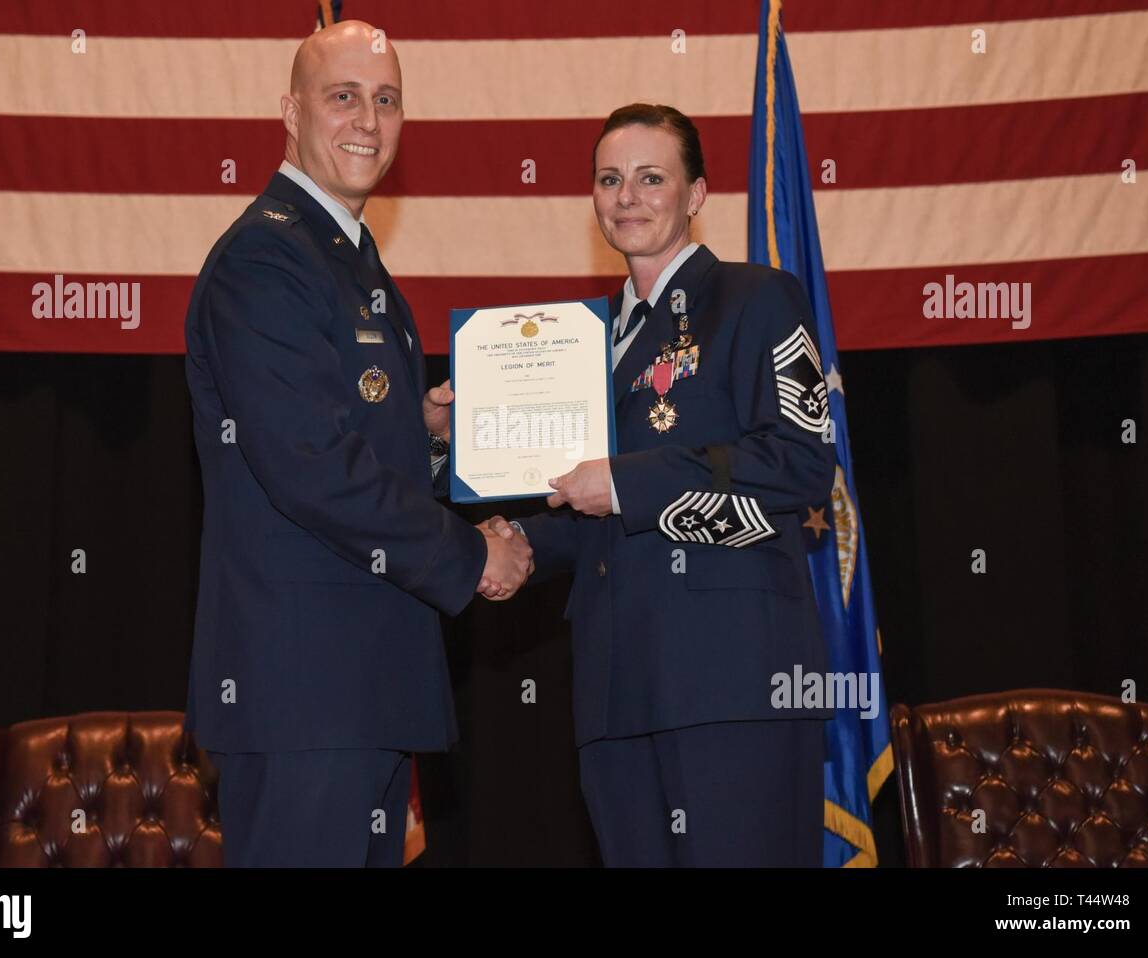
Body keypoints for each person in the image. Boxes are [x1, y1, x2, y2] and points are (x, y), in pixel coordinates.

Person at [183, 20, 532, 867]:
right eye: (343, 97)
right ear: (290, 112)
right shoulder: (267, 261)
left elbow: (346, 441)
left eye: (386, 101)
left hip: (359, 690)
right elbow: (311, 468)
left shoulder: (350, 262)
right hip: (303, 695)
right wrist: (467, 554)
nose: (367, 122)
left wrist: (433, 439)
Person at [485, 104, 835, 866]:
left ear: (697, 194)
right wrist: (512, 546)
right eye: (610, 180)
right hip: (615, 685)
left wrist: (628, 480)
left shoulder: (758, 298)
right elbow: (591, 509)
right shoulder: (587, 341)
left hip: (732, 681)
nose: (628, 197)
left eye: (652, 178)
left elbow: (803, 462)